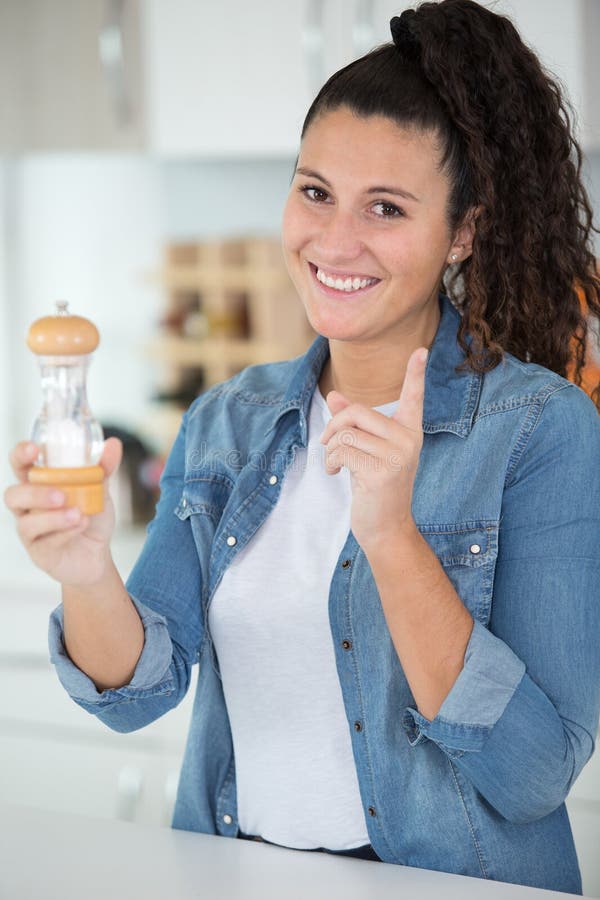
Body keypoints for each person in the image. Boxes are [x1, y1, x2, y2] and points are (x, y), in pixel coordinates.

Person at [5, 0, 600, 893]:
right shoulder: (228, 422)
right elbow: (137, 693)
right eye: (315, 192)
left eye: (386, 208)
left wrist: (392, 537)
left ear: (462, 233)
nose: (335, 241)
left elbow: (534, 774)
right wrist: (87, 573)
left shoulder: (538, 430)